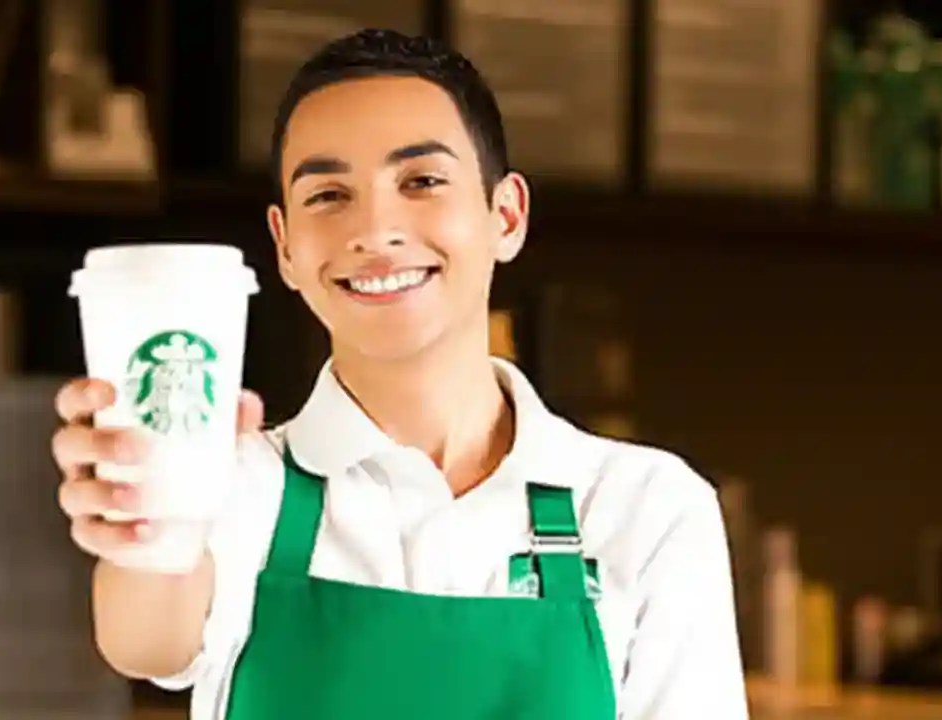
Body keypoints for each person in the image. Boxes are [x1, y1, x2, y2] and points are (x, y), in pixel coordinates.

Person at [52, 28, 748, 719]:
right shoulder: (236, 486)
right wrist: (145, 528)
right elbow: (148, 644)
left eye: (421, 181)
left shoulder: (644, 510)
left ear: (505, 216)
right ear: (285, 246)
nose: (376, 229)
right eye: (328, 194)